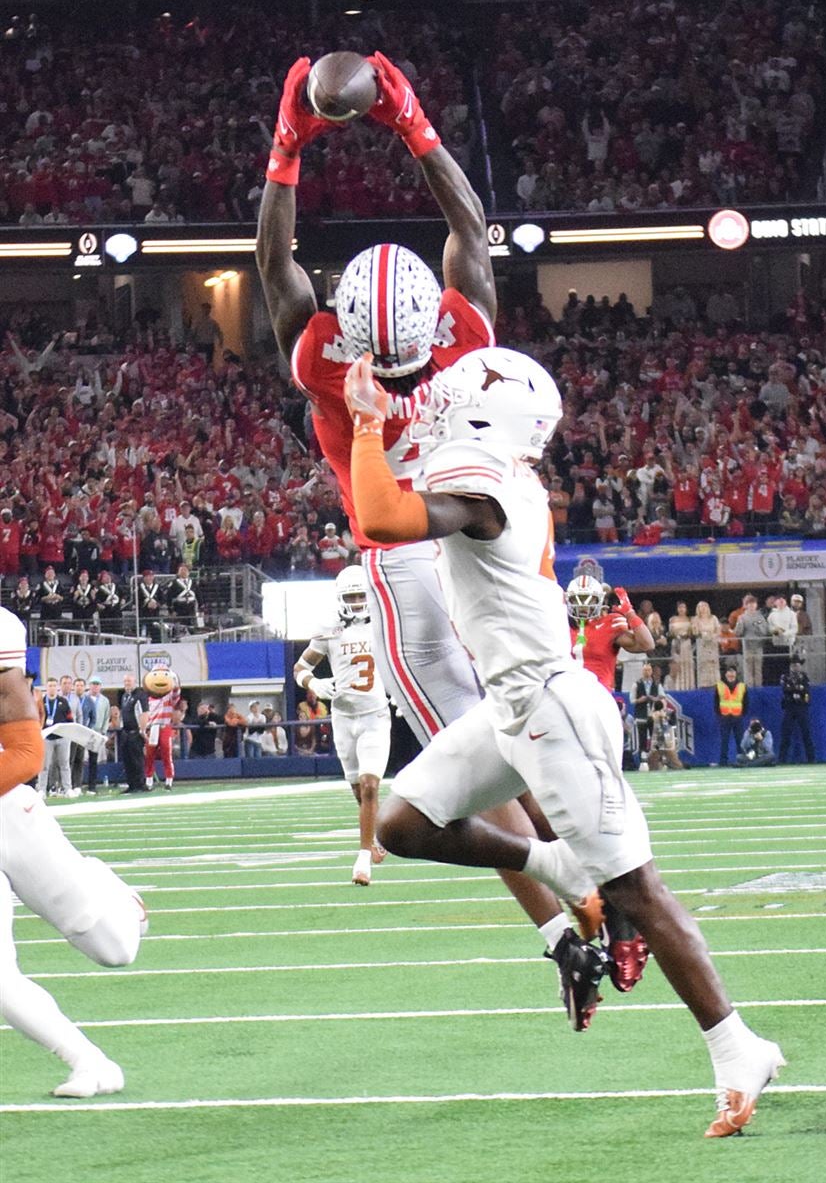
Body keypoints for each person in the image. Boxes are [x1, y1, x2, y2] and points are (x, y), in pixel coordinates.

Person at [344, 345, 784, 1136]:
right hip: (510, 708)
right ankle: (556, 866)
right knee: (403, 824)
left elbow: (380, 518)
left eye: (457, 398)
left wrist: (367, 425)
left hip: (552, 710)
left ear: (490, 418)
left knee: (638, 890)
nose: (439, 407)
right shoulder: (501, 476)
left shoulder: (487, 490)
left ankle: (736, 1048)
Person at [257, 53, 592, 974]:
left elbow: (274, 263)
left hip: (406, 561)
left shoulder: (326, 359)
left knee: (466, 758)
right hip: (483, 542)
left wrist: (288, 145)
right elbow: (470, 226)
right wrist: (413, 122)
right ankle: (604, 869)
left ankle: (566, 922)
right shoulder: (462, 336)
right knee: (526, 716)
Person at [0, 606, 147, 1097]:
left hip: (8, 814)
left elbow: (26, 755)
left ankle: (111, 888)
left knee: (114, 949)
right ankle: (90, 1063)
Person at [294, 566, 391, 885]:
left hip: (375, 714)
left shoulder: (382, 624)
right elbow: (300, 666)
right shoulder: (330, 628)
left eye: (362, 595)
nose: (358, 602)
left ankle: (363, 859)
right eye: (352, 596)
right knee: (358, 790)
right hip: (343, 717)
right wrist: (313, 683)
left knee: (370, 785)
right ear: (340, 599)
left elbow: (402, 659)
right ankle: (375, 835)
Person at [565, 575, 654, 693]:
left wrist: (630, 614)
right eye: (578, 599)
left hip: (599, 694)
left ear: (599, 601)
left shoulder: (609, 624)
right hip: (565, 694)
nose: (583, 605)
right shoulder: (560, 624)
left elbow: (647, 645)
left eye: (589, 599)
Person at [36, 677, 78, 798]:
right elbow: (37, 719)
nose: (52, 688)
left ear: (57, 687)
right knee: (44, 765)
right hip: (47, 738)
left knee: (64, 764)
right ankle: (42, 789)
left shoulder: (63, 702)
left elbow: (70, 719)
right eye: (50, 686)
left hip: (62, 737)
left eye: (54, 686)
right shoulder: (41, 702)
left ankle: (67, 788)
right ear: (46, 687)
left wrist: (69, 732)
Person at [143, 672, 182, 790]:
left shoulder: (168, 697)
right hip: (152, 727)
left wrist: (174, 680)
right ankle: (149, 780)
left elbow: (176, 694)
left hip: (164, 726)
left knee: (166, 752)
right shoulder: (147, 699)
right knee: (149, 755)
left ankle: (169, 780)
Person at [778, 657, 816, 764]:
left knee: (806, 733)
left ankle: (811, 759)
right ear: (790, 666)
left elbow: (806, 690)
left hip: (801, 707)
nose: (795, 667)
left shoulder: (804, 676)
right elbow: (785, 689)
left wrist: (795, 690)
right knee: (786, 733)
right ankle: (782, 759)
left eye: (797, 665)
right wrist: (798, 689)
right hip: (789, 706)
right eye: (793, 665)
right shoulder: (785, 676)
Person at [630, 661, 666, 769]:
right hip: (641, 715)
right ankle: (643, 761)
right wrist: (640, 700)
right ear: (642, 671)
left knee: (656, 737)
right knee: (642, 738)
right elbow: (632, 700)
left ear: (651, 671)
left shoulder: (657, 684)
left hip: (653, 715)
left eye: (649, 670)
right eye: (645, 670)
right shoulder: (636, 684)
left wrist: (655, 699)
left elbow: (662, 696)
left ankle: (658, 760)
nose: (647, 672)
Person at [117, 673, 149, 791]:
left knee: (137, 760)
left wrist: (142, 730)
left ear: (134, 682)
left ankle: (140, 784)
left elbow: (144, 713)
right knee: (127, 760)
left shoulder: (140, 695)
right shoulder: (124, 696)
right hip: (126, 732)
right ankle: (131, 784)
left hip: (135, 732)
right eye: (125, 681)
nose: (127, 683)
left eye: (129, 681)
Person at [80, 675, 110, 794]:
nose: (95, 686)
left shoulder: (104, 700)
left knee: (94, 759)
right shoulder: (84, 698)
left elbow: (107, 717)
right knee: (80, 758)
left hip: (97, 732)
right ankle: (78, 784)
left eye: (97, 684)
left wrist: (103, 731)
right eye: (93, 684)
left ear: (100, 686)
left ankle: (92, 785)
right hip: (84, 731)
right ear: (89, 685)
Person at [715, 665, 748, 767]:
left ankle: (741, 760)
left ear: (736, 674)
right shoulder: (719, 686)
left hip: (737, 716)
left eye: (733, 672)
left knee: (740, 740)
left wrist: (742, 713)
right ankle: (723, 761)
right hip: (725, 716)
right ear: (725, 674)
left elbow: (746, 702)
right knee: (724, 740)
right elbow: (716, 702)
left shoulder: (742, 686)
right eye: (729, 672)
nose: (731, 674)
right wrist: (719, 714)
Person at [734, 596, 769, 687]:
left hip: (758, 645)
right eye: (749, 604)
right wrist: (740, 625)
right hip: (747, 646)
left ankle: (758, 687)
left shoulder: (760, 616)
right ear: (745, 605)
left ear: (756, 605)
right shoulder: (742, 617)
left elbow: (765, 631)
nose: (751, 606)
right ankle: (749, 688)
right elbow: (737, 633)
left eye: (753, 603)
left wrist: (758, 626)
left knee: (758, 668)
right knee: (748, 669)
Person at [766, 595, 797, 685]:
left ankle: (789, 683)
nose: (781, 601)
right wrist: (775, 631)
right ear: (775, 602)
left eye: (783, 599)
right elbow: (769, 628)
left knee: (787, 666)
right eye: (779, 600)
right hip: (776, 645)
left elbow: (795, 628)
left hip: (788, 645)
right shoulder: (772, 615)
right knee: (777, 666)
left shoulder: (791, 614)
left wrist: (784, 633)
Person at [692, 600, 722, 689]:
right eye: (701, 606)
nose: (703, 608)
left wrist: (713, 635)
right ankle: (703, 685)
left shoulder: (714, 618)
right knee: (704, 664)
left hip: (713, 644)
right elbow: (695, 632)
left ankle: (715, 684)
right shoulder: (696, 619)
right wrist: (703, 634)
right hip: (702, 645)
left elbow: (718, 630)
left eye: (704, 606)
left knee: (713, 664)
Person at [668, 600, 695, 690]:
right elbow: (670, 633)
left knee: (687, 664)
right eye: (680, 607)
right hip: (676, 644)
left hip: (686, 644)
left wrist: (686, 635)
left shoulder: (690, 619)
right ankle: (678, 686)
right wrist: (676, 636)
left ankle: (689, 686)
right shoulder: (672, 619)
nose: (681, 609)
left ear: (686, 609)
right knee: (677, 664)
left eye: (683, 607)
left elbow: (692, 633)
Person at [295, 688, 331, 755]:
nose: (311, 696)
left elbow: (325, 718)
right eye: (309, 694)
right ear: (306, 695)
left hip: (322, 729)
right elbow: (302, 717)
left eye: (313, 694)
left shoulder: (322, 705)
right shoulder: (301, 705)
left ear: (317, 695)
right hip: (309, 728)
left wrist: (319, 718)